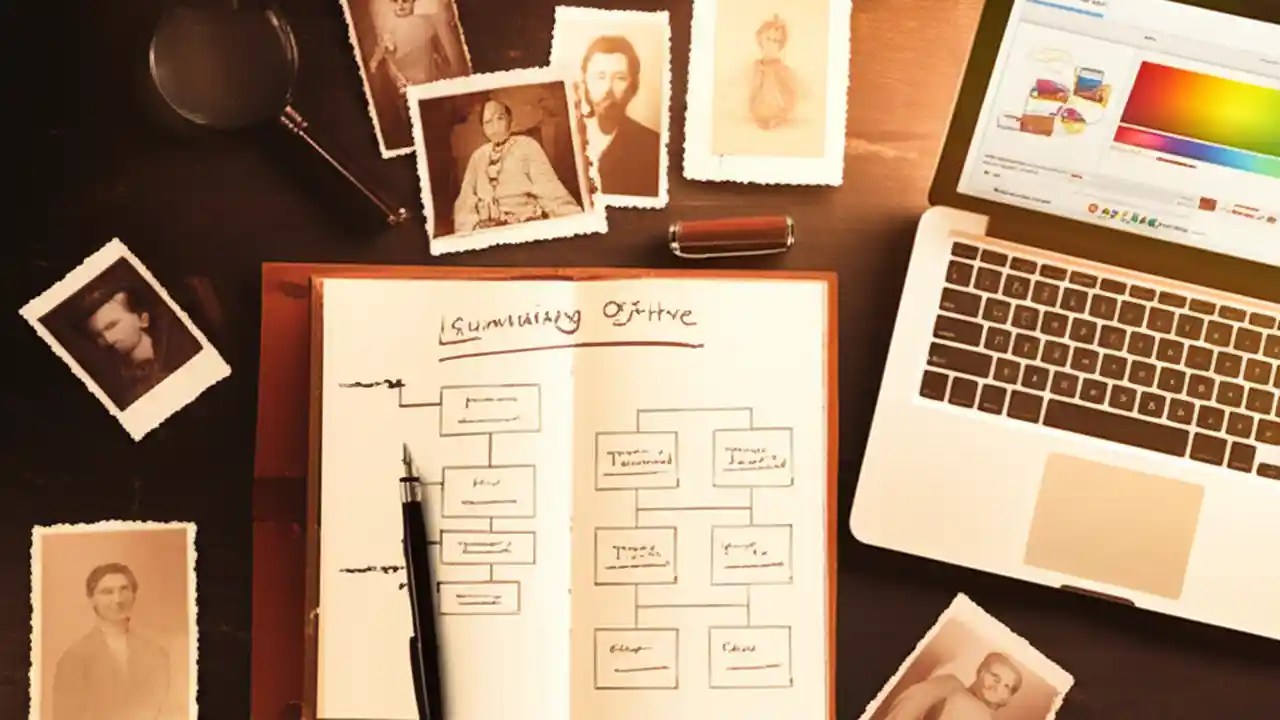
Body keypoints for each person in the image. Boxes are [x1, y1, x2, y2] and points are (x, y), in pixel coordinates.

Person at [52, 563, 171, 720]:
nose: (118, 599)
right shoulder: (74, 658)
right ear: (91, 600)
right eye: (107, 592)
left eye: (124, 589)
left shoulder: (156, 654)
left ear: (134, 595)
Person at [452, 99, 583, 233]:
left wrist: (575, 222)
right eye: (488, 122)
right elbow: (465, 201)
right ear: (483, 128)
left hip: (525, 226)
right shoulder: (478, 156)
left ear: (510, 121)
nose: (494, 126)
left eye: (500, 119)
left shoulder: (527, 146)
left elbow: (550, 190)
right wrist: (470, 230)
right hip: (489, 231)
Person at [77, 280, 199, 410]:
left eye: (112, 325)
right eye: (98, 335)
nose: (107, 339)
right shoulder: (122, 389)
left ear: (142, 320)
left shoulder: (185, 349)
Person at [577, 35, 661, 197]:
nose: (608, 88)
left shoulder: (653, 147)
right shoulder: (568, 137)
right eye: (600, 77)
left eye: (620, 78)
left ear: (633, 85)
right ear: (585, 81)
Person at [879, 652, 1024, 720]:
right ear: (980, 672)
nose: (996, 687)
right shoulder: (952, 685)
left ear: (1007, 699)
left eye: (1007, 686)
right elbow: (911, 701)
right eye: (995, 677)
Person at [367, 0, 466, 97]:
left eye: (405, 1)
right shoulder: (388, 24)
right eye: (395, 1)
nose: (400, 5)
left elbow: (442, 44)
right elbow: (383, 50)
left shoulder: (427, 19)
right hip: (405, 78)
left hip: (428, 73)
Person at [749, 15, 800, 130]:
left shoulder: (783, 70)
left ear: (781, 45)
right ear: (760, 40)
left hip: (778, 112)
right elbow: (751, 90)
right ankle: (761, 118)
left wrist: (784, 112)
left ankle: (774, 119)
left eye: (776, 41)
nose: (771, 44)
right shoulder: (755, 67)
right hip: (758, 110)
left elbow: (790, 95)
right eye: (768, 39)